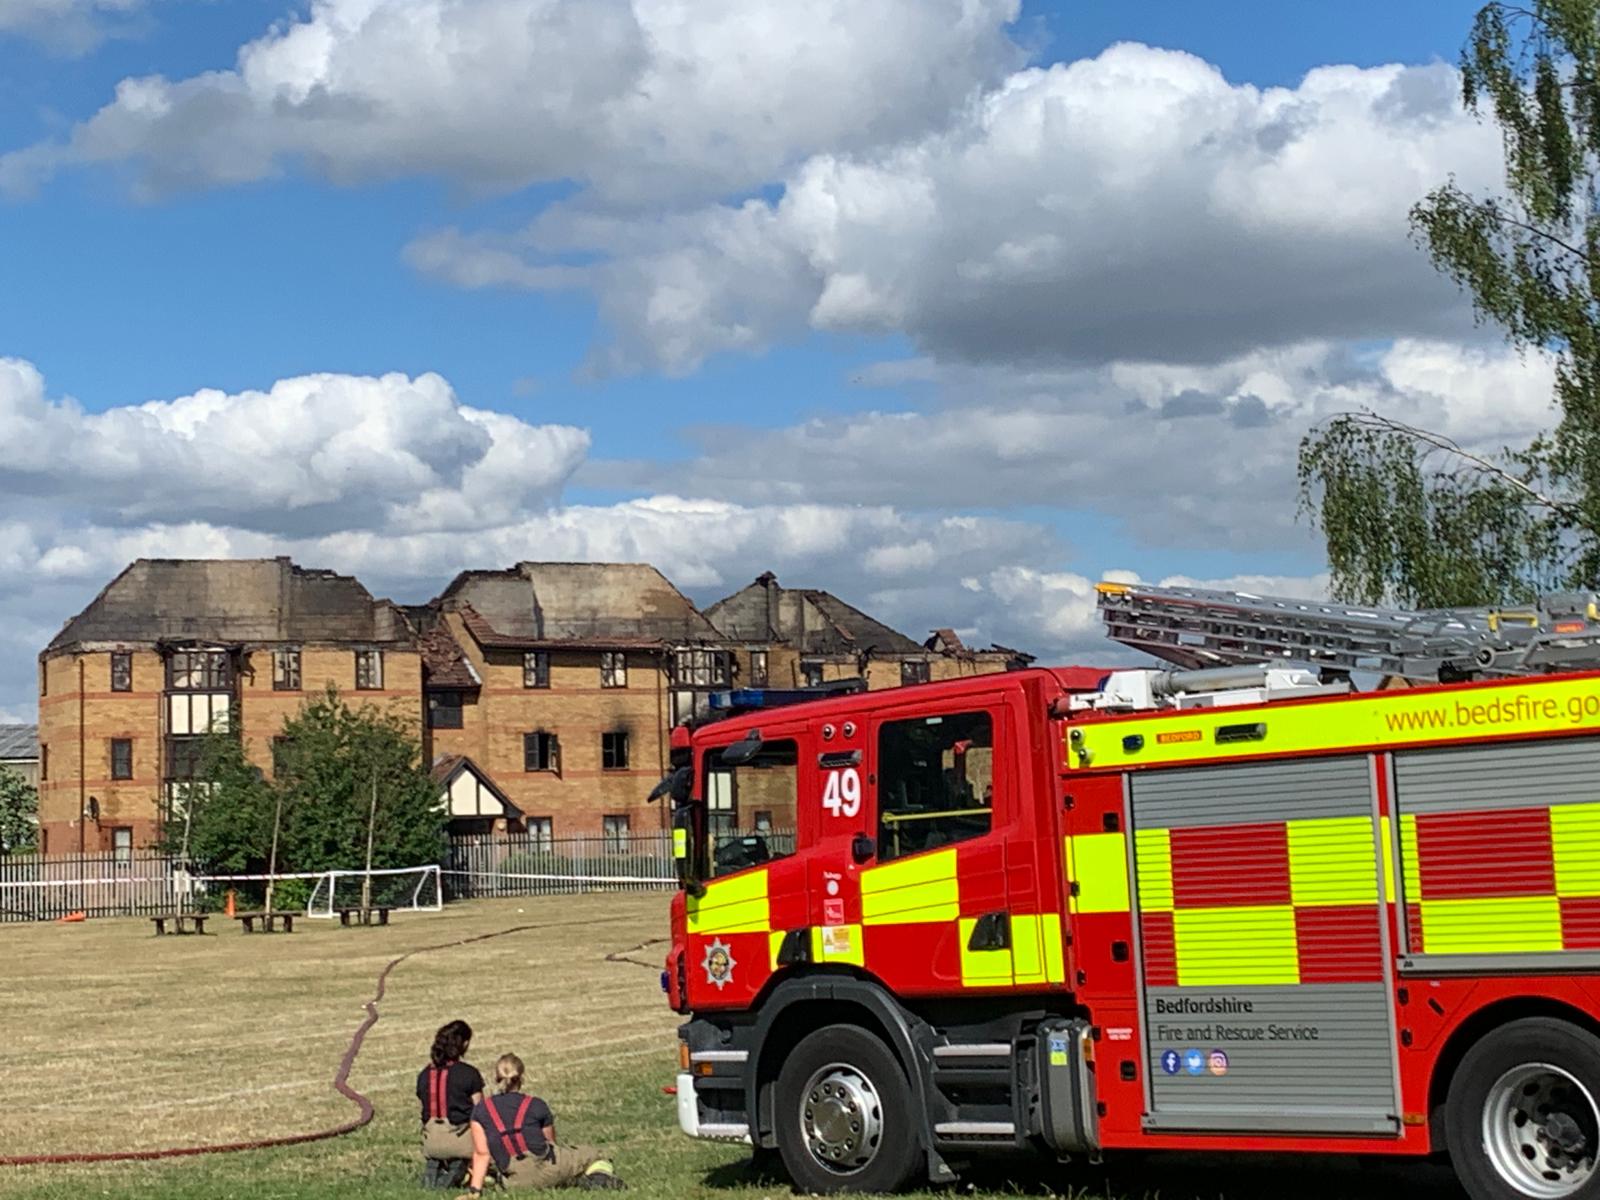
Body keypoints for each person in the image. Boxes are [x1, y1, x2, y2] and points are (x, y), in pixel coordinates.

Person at [458, 1053, 624, 1192]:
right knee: (595, 1155)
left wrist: (475, 1190)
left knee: (490, 1169)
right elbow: (550, 1143)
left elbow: (481, 1154)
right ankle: (597, 1177)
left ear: (496, 1078)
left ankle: (490, 1182)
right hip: (547, 1171)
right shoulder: (536, 1104)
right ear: (521, 1078)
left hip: (513, 1182)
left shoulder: (480, 1110)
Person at [417, 1019, 485, 1188]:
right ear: (464, 1043)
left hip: (431, 1140)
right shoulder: (469, 1073)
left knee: (437, 1153)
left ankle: (436, 1165)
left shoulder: (424, 1075)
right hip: (461, 1141)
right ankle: (459, 1167)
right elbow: (481, 1112)